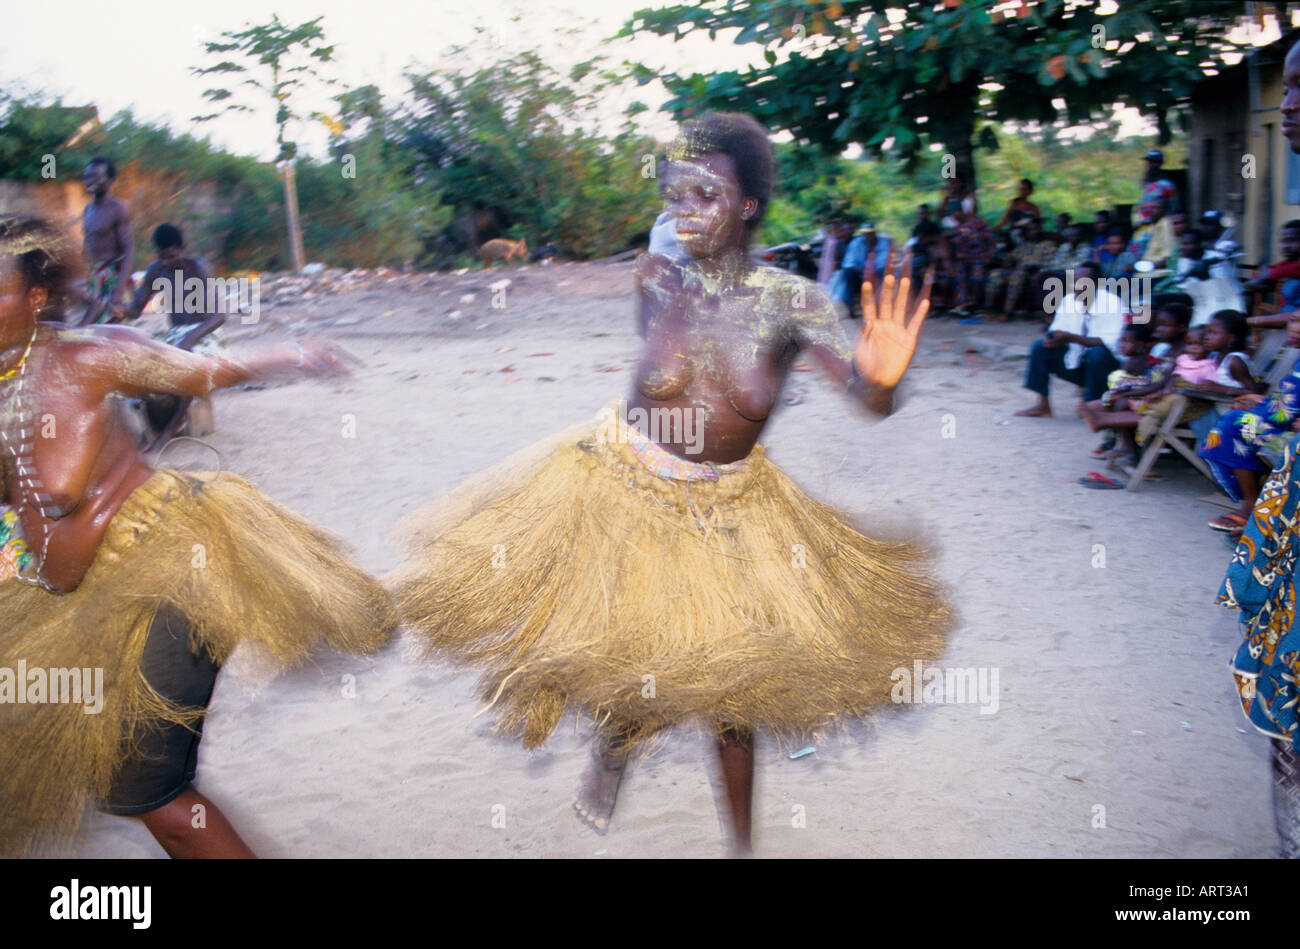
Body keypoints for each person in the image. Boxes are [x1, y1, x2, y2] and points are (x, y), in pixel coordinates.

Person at [390, 112, 954, 853]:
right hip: (623, 488)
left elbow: (867, 399)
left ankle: (741, 844)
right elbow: (650, 387)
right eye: (675, 193)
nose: (684, 209)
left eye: (705, 193)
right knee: (630, 649)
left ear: (749, 204)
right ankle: (610, 758)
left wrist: (882, 380)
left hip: (732, 507)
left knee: (732, 688)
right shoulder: (658, 281)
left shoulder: (793, 303)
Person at [0, 217, 396, 857]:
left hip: (166, 575)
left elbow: (195, 370)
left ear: (36, 296)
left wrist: (291, 354)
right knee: (118, 777)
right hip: (84, 597)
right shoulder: (4, 381)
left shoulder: (84, 358)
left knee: (150, 790)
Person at [1080, 313, 1254, 464]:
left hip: (1218, 414)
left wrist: (1222, 390)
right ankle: (1105, 421)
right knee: (1164, 405)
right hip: (1202, 405)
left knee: (1166, 409)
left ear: (1231, 338)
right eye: (1207, 331)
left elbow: (1255, 393)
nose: (1206, 336)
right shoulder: (1215, 356)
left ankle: (1104, 420)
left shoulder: (1234, 361)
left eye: (1213, 333)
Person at [119, 223, 227, 447]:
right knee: (138, 362)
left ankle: (169, 431)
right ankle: (154, 426)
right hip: (176, 334)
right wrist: (122, 310)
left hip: (204, 332)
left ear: (183, 248)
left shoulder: (199, 268)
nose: (166, 261)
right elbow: (136, 309)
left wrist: (191, 338)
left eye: (172, 255)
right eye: (162, 256)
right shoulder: (155, 270)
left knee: (188, 366)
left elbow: (219, 316)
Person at [1200, 312, 1300, 533]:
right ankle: (1255, 504)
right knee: (1237, 420)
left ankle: (1251, 505)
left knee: (1236, 424)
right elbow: (1288, 404)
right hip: (1286, 428)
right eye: (1293, 320)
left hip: (1291, 438)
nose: (1295, 327)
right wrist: (1261, 402)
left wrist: (1261, 408)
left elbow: (1286, 411)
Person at [1016, 261, 1125, 419]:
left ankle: (1092, 405)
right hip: (1078, 361)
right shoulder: (1069, 301)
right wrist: (1053, 339)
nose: (1076, 286)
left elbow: (1110, 343)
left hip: (1107, 369)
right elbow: (1058, 329)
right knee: (1040, 348)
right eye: (1074, 281)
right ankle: (1043, 406)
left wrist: (1071, 337)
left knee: (1098, 353)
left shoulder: (1113, 303)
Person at [79, 157, 134, 327]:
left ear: (110, 181)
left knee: (113, 335)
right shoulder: (88, 209)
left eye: (96, 177)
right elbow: (87, 244)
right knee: (91, 334)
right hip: (93, 276)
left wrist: (117, 291)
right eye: (87, 177)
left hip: (112, 277)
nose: (90, 181)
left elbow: (129, 250)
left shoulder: (118, 208)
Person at [980, 217, 1056, 321]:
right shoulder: (1023, 245)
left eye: (1035, 229)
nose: (1033, 232)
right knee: (995, 274)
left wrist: (1038, 271)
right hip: (1014, 269)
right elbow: (1011, 257)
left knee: (1016, 277)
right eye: (1030, 230)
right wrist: (1007, 261)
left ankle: (1007, 312)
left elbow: (1049, 262)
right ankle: (989, 308)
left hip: (1029, 271)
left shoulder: (1047, 245)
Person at [839, 222, 892, 317]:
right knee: (847, 272)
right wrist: (863, 271)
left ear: (874, 233)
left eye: (869, 233)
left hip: (877, 272)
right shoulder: (856, 243)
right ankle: (850, 305)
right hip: (860, 272)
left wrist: (872, 272)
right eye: (865, 233)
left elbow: (883, 261)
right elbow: (849, 262)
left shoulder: (883, 243)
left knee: (886, 273)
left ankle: (883, 303)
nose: (867, 236)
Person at [1245, 220, 1300, 311]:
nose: (1286, 246)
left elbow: (1266, 275)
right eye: (1283, 241)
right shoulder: (1284, 264)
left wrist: (1266, 277)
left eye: (1291, 240)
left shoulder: (1295, 266)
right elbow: (1251, 281)